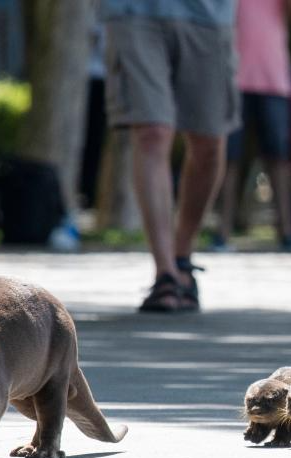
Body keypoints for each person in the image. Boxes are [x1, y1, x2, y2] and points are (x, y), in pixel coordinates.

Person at [101, 0, 239, 312]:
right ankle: (165, 273)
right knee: (152, 132)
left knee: (209, 141)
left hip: (209, 15)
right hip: (133, 13)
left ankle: (182, 254)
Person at [216, 0, 291, 252]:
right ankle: (221, 233)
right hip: (231, 74)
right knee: (228, 157)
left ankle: (287, 233)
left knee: (278, 157)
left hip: (273, 76)